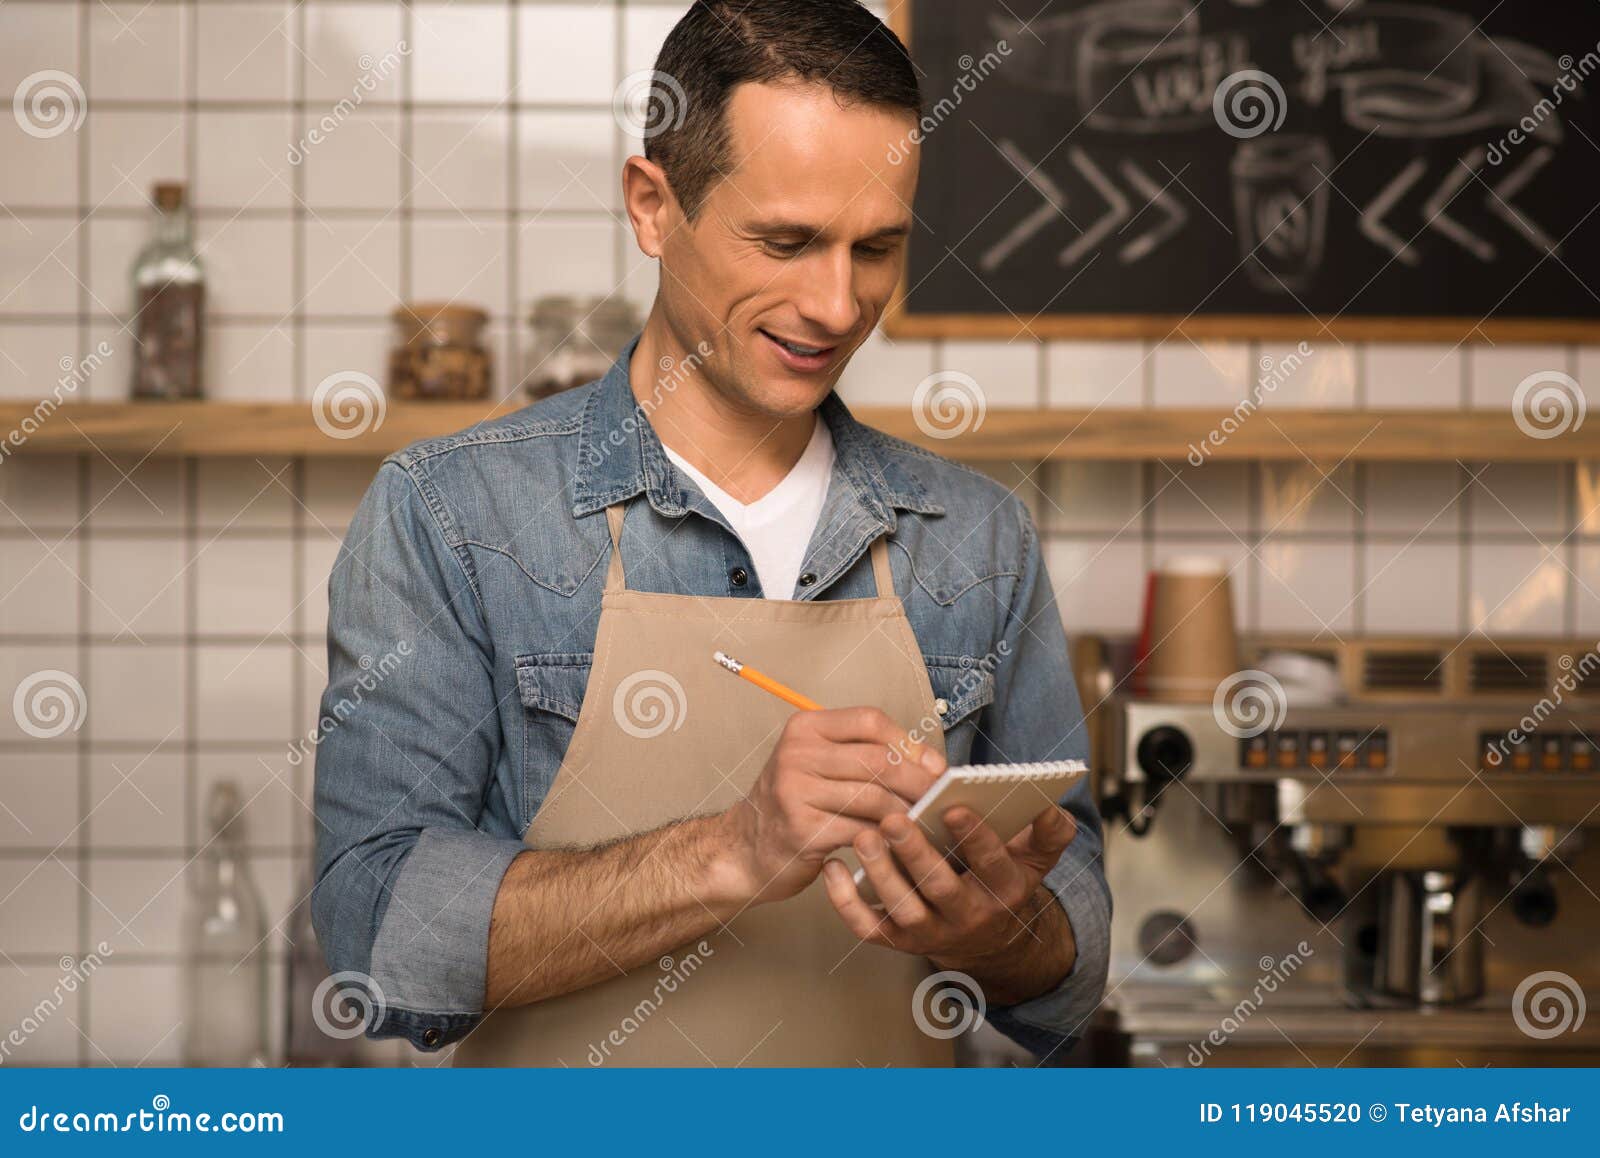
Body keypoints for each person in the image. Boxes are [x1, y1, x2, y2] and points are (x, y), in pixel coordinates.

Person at [313, 0, 1109, 1066]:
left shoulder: (976, 538)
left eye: (876, 247)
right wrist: (732, 853)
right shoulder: (454, 517)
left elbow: (1074, 966)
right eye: (786, 241)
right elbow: (376, 934)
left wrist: (1010, 939)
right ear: (652, 204)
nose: (836, 304)